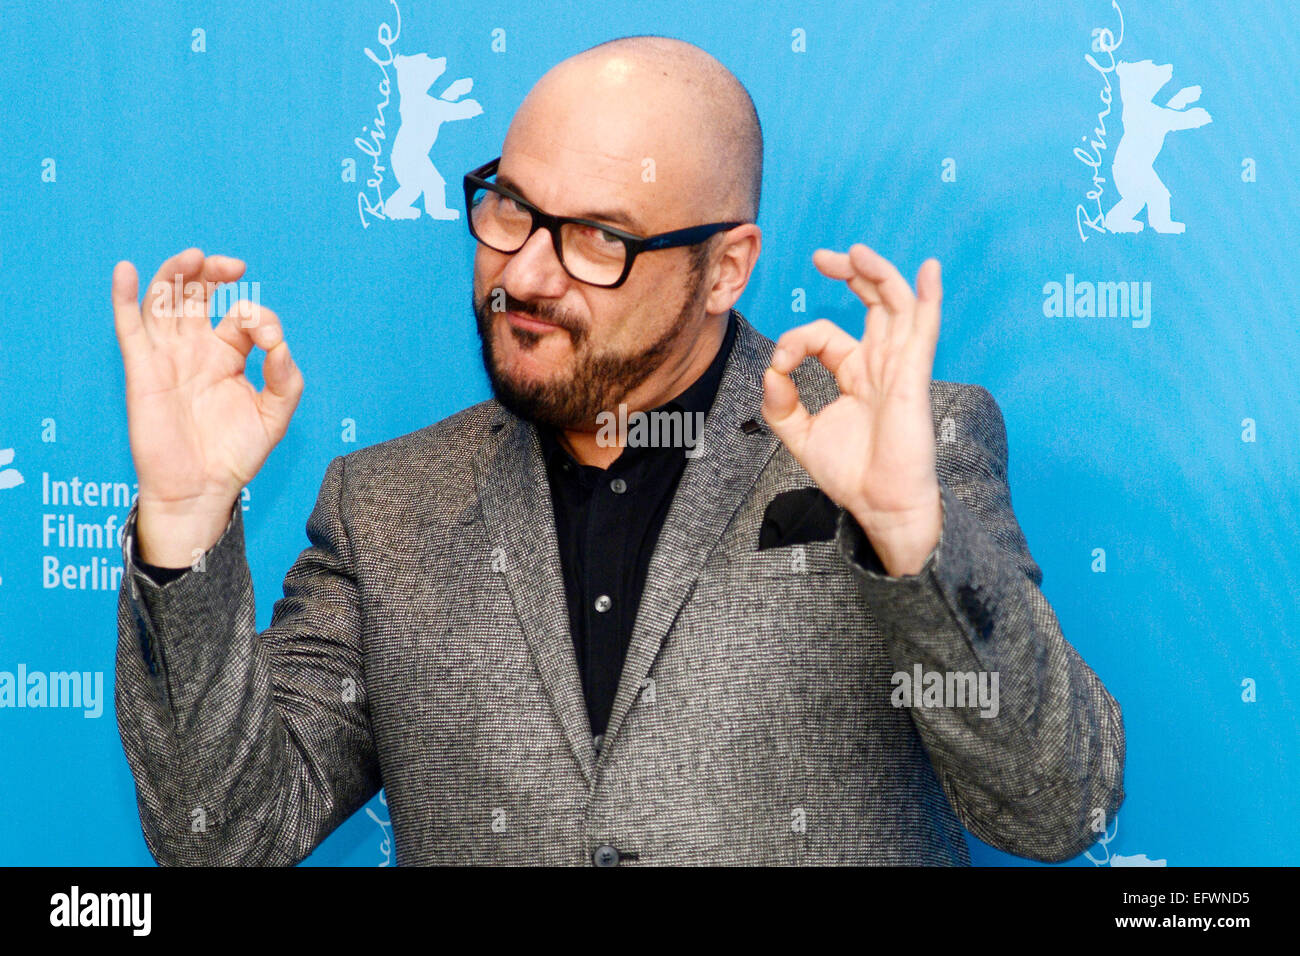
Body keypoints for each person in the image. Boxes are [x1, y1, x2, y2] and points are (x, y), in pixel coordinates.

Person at [111, 35, 1124, 866]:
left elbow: (1055, 805)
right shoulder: (384, 505)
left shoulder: (900, 443)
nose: (527, 274)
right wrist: (184, 531)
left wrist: (912, 541)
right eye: (509, 208)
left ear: (724, 268)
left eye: (599, 236)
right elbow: (221, 837)